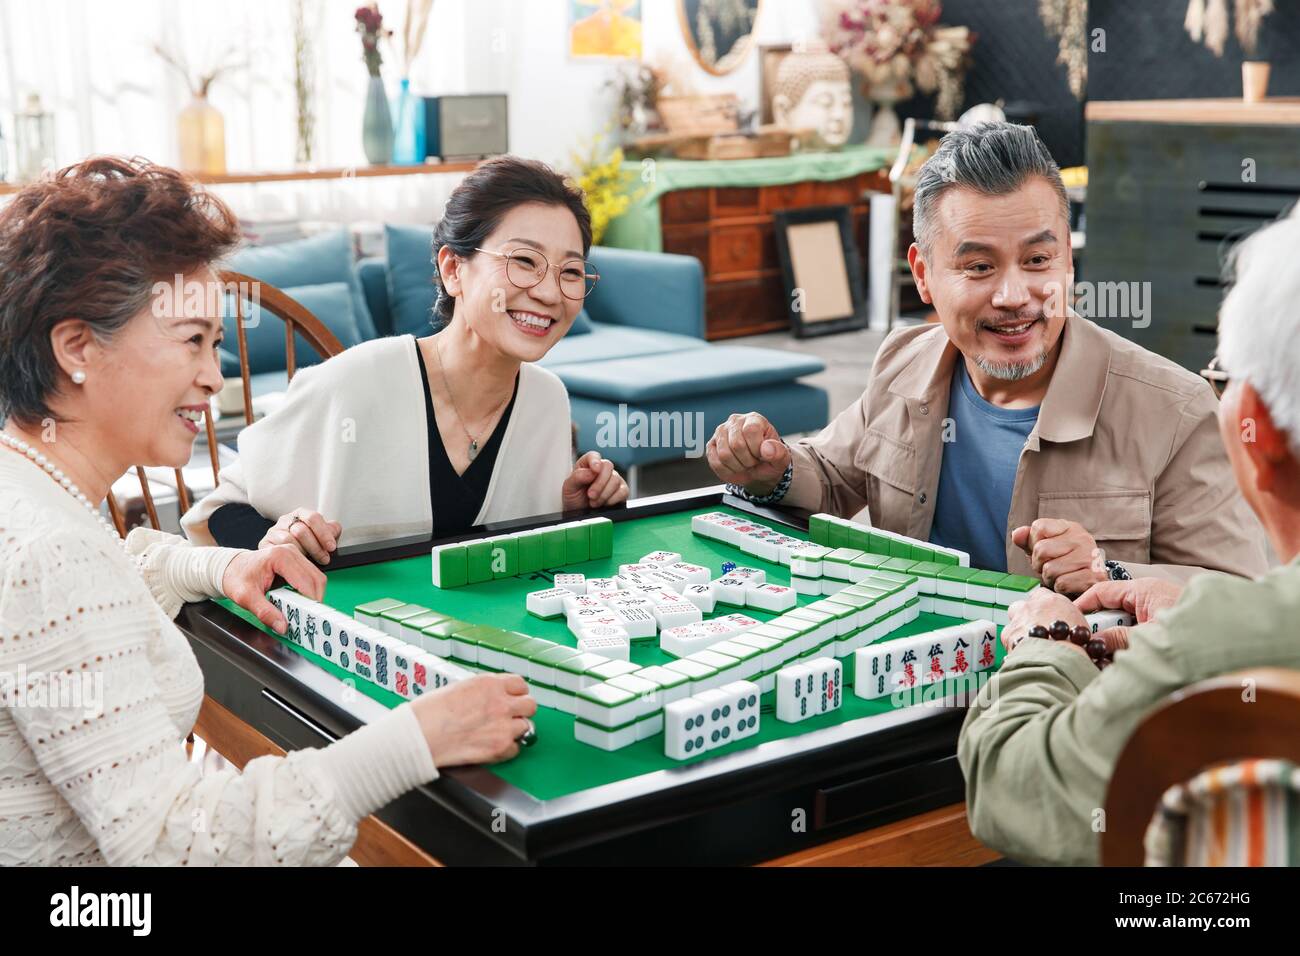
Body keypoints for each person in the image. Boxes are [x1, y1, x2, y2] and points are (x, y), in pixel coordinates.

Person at [0, 157, 535, 866]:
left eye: (216, 345)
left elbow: (113, 577)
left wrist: (220, 567)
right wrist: (416, 738)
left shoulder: (28, 489)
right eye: (191, 340)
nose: (212, 377)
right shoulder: (52, 556)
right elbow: (174, 845)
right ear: (77, 349)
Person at [705, 121, 1267, 591]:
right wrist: (774, 471)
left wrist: (1111, 571)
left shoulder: (1177, 411)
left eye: (1038, 260)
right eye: (979, 267)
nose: (1014, 296)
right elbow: (830, 478)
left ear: (1068, 262)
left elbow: (1238, 597)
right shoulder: (903, 361)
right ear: (923, 275)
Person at [959, 212, 1300, 866]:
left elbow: (1014, 785)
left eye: (1223, 381)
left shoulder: (1234, 636)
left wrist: (1047, 640)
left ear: (1257, 426)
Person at [183, 155, 628, 559]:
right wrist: (278, 541)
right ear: (453, 269)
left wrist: (568, 512)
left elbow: (508, 560)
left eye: (571, 271)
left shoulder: (546, 401)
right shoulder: (355, 382)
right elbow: (221, 510)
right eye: (525, 261)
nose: (549, 292)